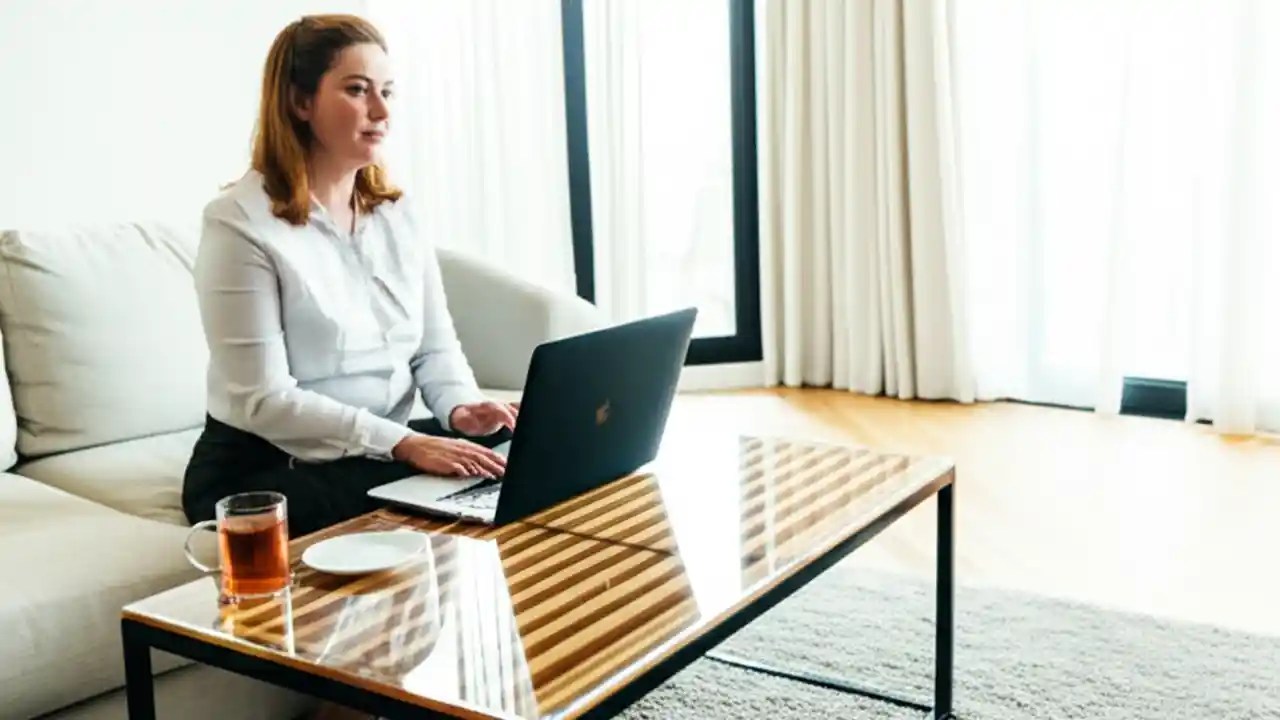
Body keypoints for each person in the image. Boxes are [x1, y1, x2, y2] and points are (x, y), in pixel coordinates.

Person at [183, 14, 517, 539]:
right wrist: (404, 444)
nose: (381, 111)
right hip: (265, 469)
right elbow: (264, 399)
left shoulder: (396, 213)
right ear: (301, 102)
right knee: (441, 495)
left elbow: (433, 347)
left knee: (528, 449)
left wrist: (460, 407)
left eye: (387, 91)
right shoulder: (239, 223)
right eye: (358, 90)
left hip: (375, 450)